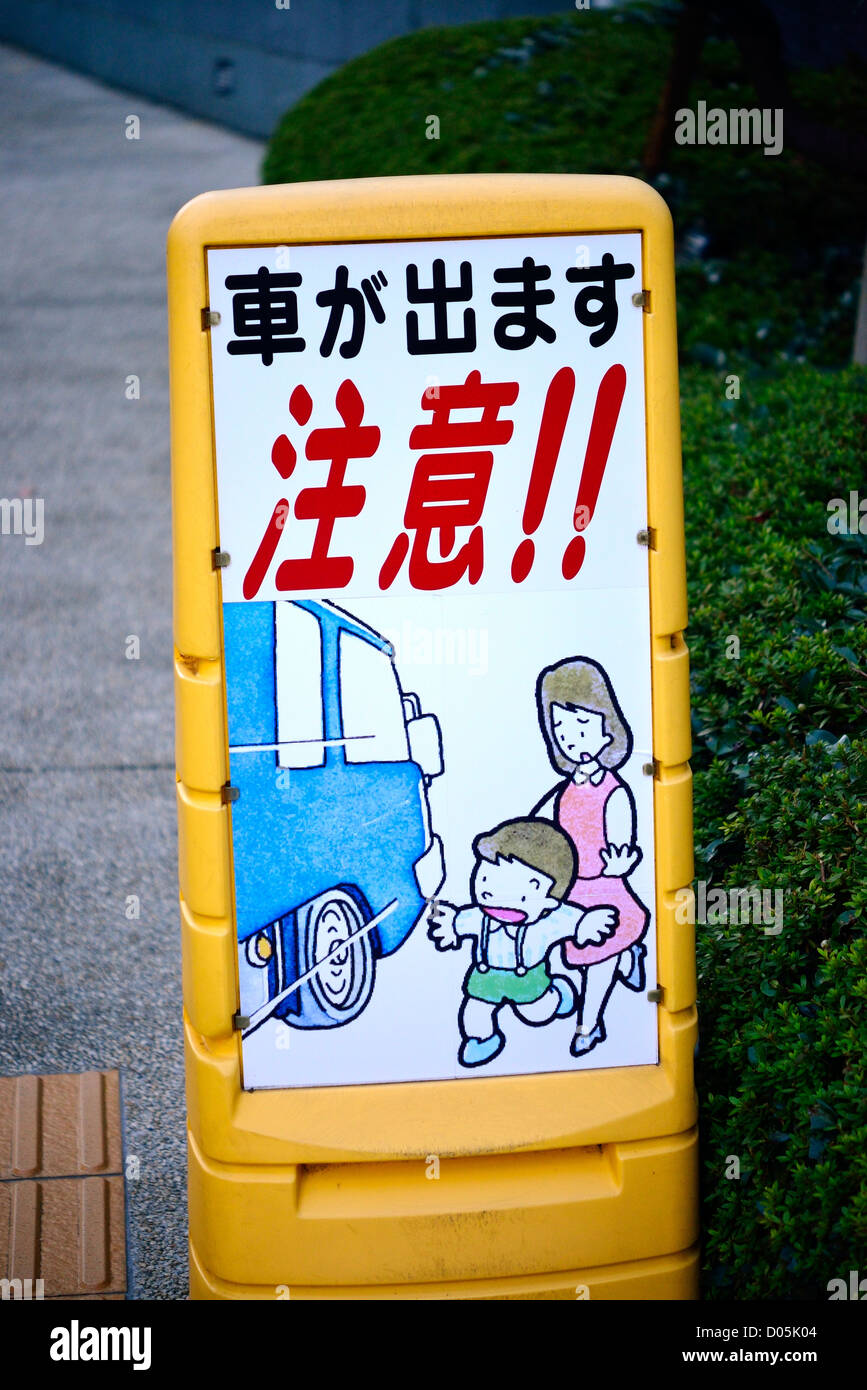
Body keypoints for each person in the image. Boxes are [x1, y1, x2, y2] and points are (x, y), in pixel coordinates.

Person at [428, 817, 617, 1067]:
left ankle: (557, 995)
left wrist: (586, 925)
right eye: (485, 881)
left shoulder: (548, 921)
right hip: (486, 979)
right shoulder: (481, 917)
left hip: (528, 980)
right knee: (474, 1014)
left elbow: (572, 921)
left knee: (538, 1014)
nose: (496, 896)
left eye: (521, 890)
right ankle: (483, 1039)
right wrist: (449, 925)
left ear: (550, 901)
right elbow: (461, 922)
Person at [533, 657, 650, 1056]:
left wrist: (622, 861)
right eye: (562, 729)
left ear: (607, 731)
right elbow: (555, 839)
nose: (571, 738)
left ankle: (590, 1025)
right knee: (564, 953)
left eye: (582, 727)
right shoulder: (564, 791)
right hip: (570, 890)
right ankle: (629, 953)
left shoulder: (614, 792)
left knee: (597, 958)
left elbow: (623, 844)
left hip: (605, 892)